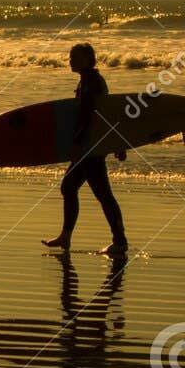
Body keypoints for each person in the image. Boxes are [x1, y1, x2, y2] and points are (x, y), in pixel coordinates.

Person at [42, 42, 128, 256]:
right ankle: (66, 236)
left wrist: (78, 143)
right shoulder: (89, 80)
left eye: (74, 57)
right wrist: (117, 143)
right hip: (92, 145)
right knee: (69, 187)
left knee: (102, 194)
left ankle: (120, 242)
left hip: (91, 147)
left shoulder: (91, 82)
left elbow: (88, 116)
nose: (70, 60)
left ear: (88, 59)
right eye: (70, 56)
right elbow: (105, 114)